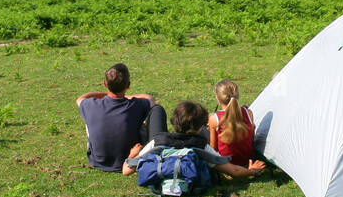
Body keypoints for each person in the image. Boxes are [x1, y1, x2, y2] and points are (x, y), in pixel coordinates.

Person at [123, 100, 261, 180]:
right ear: (201, 127)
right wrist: (252, 171)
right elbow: (234, 171)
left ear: (174, 122)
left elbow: (126, 170)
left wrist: (132, 153)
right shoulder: (201, 146)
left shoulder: (159, 141)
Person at [76, 63, 155, 172]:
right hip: (130, 158)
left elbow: (81, 99)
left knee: (89, 116)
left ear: (105, 83)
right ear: (128, 85)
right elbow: (150, 98)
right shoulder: (137, 105)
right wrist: (126, 97)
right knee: (147, 117)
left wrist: (107, 94)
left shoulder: (91, 104)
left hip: (97, 162)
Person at [208, 79, 265, 171]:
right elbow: (251, 138)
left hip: (226, 164)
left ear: (218, 99)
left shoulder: (214, 119)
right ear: (237, 96)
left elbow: (213, 148)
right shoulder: (248, 113)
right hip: (247, 160)